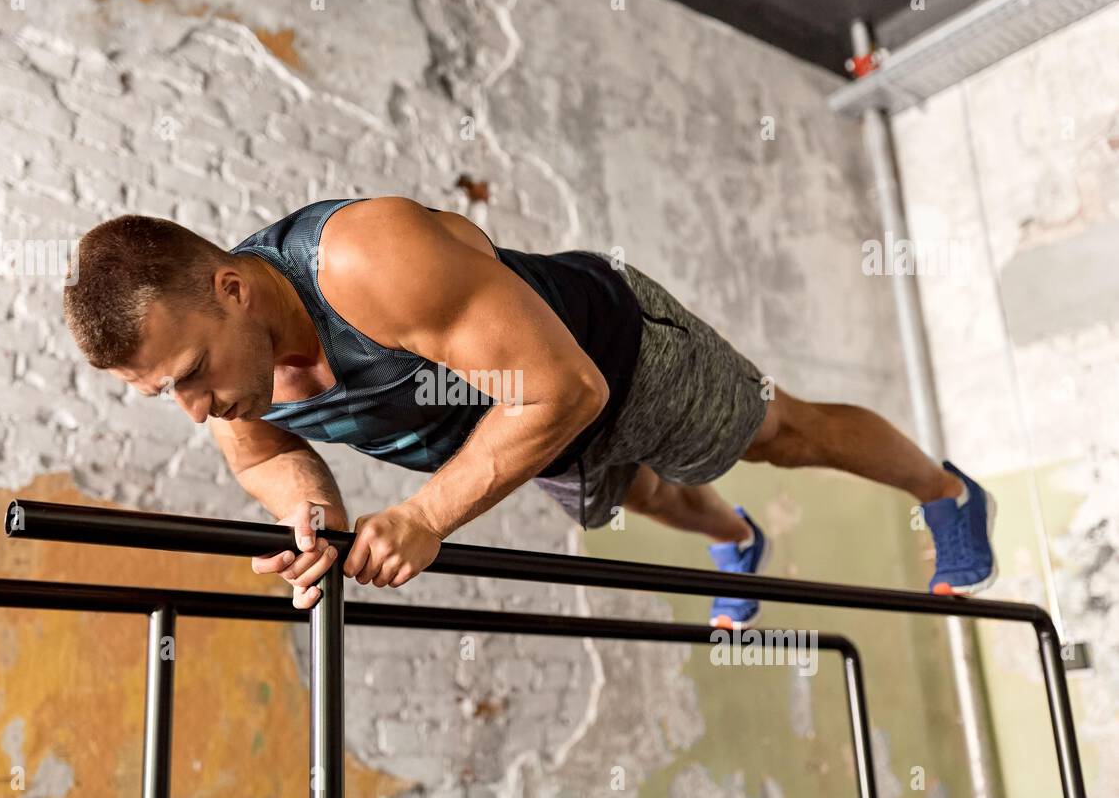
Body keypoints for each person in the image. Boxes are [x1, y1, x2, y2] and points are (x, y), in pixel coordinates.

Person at [64, 196, 996, 627]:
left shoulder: (364, 261)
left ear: (231, 288)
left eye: (186, 373)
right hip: (515, 439)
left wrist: (427, 514)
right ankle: (737, 541)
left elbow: (566, 388)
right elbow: (264, 459)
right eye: (162, 395)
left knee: (780, 436)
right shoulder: (228, 375)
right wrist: (314, 520)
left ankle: (947, 492)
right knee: (654, 500)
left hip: (613, 360)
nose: (194, 409)